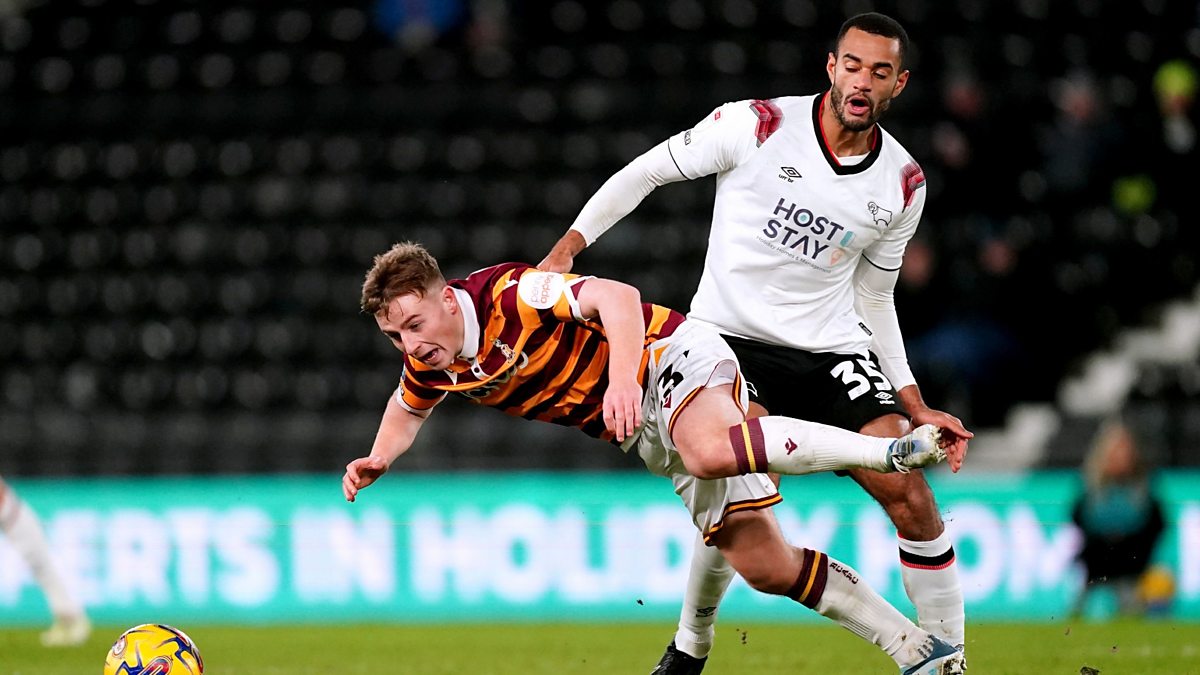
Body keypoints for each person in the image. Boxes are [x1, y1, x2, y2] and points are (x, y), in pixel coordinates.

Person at [538, 12, 974, 672]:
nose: (862, 81)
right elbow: (646, 171)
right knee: (739, 490)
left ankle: (951, 658)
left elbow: (874, 297)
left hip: (829, 349)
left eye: (879, 72)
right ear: (831, 67)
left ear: (898, 85)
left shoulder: (903, 182)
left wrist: (914, 403)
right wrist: (569, 247)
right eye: (851, 65)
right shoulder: (756, 125)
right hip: (726, 341)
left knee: (911, 494)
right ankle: (692, 643)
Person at [343, 242, 966, 675]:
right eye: (396, 336)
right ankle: (914, 649)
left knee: (706, 450)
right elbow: (406, 409)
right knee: (766, 566)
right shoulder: (432, 363)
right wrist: (378, 457)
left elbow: (616, 298)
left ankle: (885, 452)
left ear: (447, 298)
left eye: (415, 324)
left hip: (667, 355)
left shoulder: (515, 292)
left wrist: (619, 380)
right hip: (641, 427)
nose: (410, 344)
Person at [1070, 420, 1166, 617]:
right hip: (1098, 554)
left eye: (1124, 451)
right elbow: (1078, 517)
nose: (1120, 456)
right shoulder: (1092, 487)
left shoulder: (1143, 486)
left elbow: (1157, 524)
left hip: (1132, 555)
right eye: (1115, 451)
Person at [0, 476, 91, 646]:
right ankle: (67, 618)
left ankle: (73, 619)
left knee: (44, 570)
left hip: (17, 522)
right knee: (43, 571)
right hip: (12, 521)